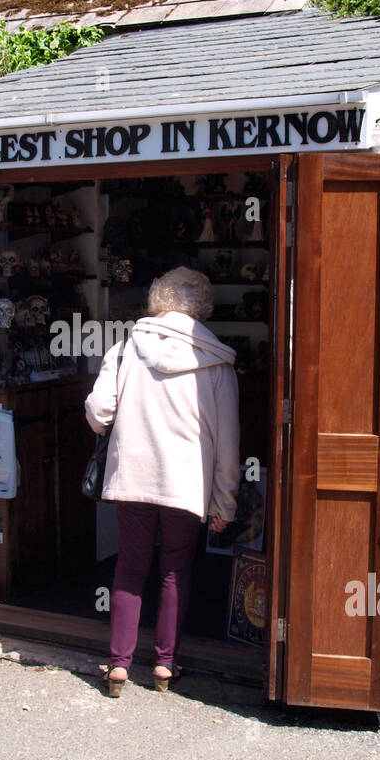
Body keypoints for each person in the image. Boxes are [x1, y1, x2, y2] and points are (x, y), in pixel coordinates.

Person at [85, 266, 240, 696]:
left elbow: (99, 411)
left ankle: (118, 666)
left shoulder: (125, 348)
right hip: (185, 484)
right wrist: (224, 504)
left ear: (157, 299)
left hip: (132, 476)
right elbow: (228, 443)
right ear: (202, 306)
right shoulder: (217, 361)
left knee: (130, 567)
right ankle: (164, 666)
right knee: (175, 570)